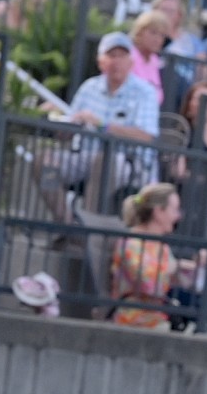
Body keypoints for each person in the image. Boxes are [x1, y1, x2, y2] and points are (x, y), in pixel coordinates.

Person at [44, 33, 161, 211]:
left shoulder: (145, 92)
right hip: (84, 156)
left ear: (131, 62)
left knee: (104, 162)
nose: (117, 61)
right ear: (101, 62)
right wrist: (62, 121)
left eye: (122, 55)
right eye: (111, 55)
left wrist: (102, 125)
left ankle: (88, 229)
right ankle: (66, 223)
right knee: (44, 161)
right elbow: (65, 134)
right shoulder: (88, 88)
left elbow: (145, 136)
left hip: (129, 163)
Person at [111, 182, 189, 330]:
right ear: (158, 212)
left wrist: (195, 267)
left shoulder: (161, 246)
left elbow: (178, 281)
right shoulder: (130, 244)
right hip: (134, 316)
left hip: (159, 315)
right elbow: (149, 286)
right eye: (175, 210)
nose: (178, 216)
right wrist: (174, 267)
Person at [150, 0, 207, 88]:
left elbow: (203, 70)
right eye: (163, 10)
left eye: (171, 11)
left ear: (179, 15)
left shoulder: (192, 42)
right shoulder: (147, 36)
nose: (166, 15)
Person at [128, 10, 172, 108]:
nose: (157, 39)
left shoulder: (154, 60)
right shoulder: (128, 56)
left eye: (162, 35)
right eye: (153, 32)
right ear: (139, 32)